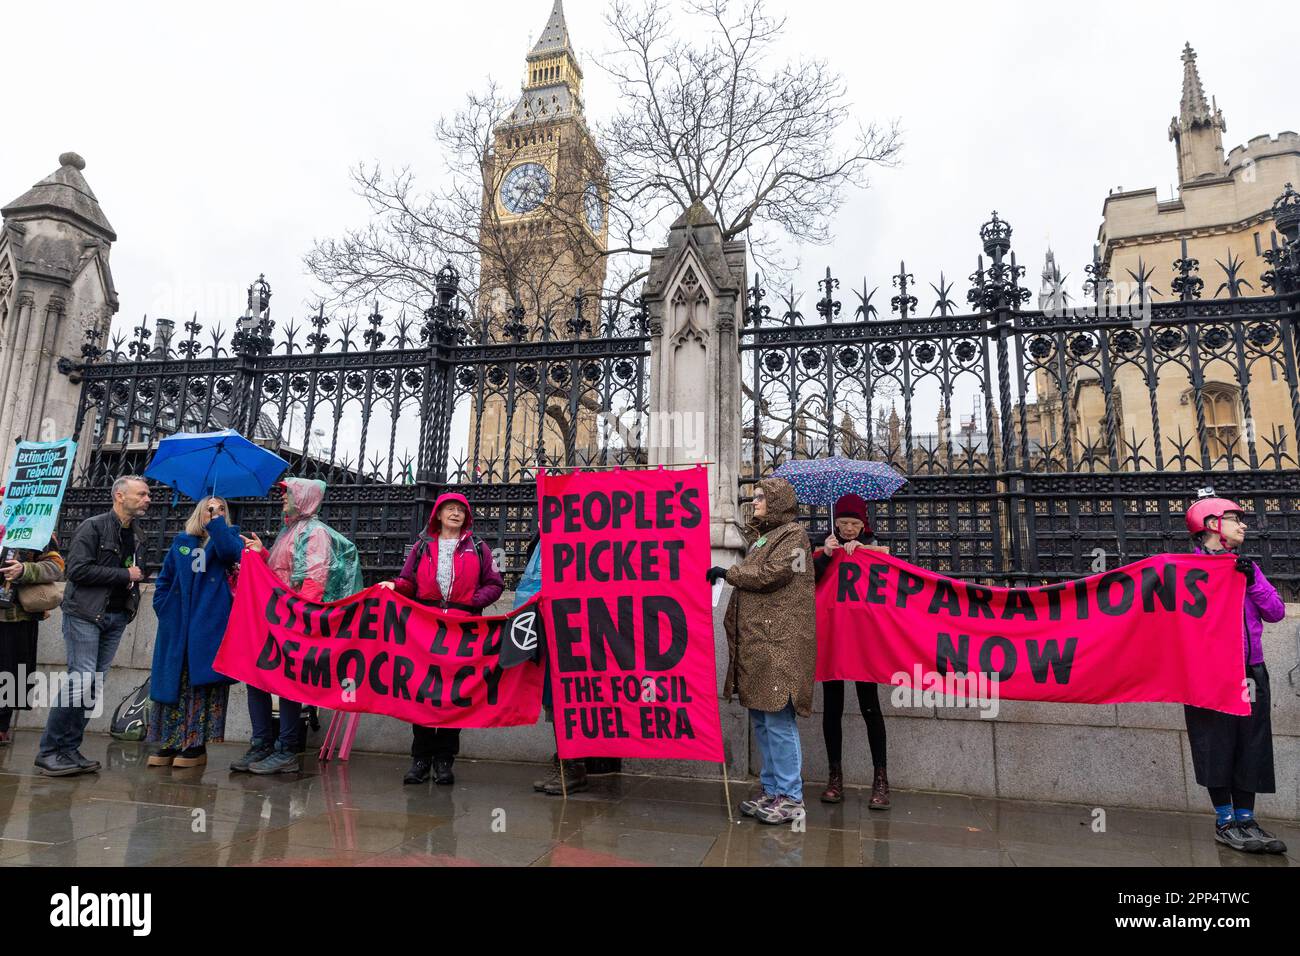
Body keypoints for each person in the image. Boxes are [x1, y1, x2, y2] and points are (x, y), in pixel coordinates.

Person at [233, 477, 363, 775]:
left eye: (287, 493)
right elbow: (282, 573)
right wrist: (263, 554)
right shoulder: (290, 530)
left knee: (288, 683)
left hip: (290, 620)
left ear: (303, 497)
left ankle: (287, 749)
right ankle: (262, 742)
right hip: (276, 616)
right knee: (258, 677)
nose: (283, 497)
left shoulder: (314, 533)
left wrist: (297, 618)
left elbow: (313, 580)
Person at [1182, 496, 1288, 854]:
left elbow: (1275, 612)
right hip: (1208, 674)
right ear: (1212, 525)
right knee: (1215, 743)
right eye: (1234, 519)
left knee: (1251, 742)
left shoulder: (1248, 567)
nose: (1243, 525)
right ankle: (1225, 820)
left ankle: (1247, 819)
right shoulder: (1185, 571)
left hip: (1250, 672)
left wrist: (1251, 579)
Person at [709, 476, 816, 825]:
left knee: (779, 721)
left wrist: (729, 572)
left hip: (780, 646)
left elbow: (774, 573)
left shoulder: (795, 537)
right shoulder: (764, 537)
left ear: (778, 500)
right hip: (759, 645)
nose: (753, 502)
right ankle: (772, 791)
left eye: (760, 497)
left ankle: (791, 797)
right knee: (762, 720)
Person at [379, 492, 503, 786]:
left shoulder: (480, 547)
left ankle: (445, 760)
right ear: (437, 513)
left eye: (461, 509)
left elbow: (495, 584)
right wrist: (394, 585)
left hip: (462, 628)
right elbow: (408, 581)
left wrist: (472, 601)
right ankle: (420, 759)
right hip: (426, 627)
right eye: (450, 508)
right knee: (423, 690)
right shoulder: (422, 546)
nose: (456, 513)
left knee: (454, 692)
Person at [35, 475, 151, 776]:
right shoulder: (94, 526)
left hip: (115, 616)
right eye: (141, 494)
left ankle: (70, 749)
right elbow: (77, 570)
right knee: (81, 679)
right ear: (119, 496)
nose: (147, 499)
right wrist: (125, 576)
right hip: (85, 614)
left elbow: (136, 572)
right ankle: (49, 750)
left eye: (147, 495)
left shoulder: (138, 534)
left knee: (93, 685)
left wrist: (133, 580)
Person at [145, 496, 242, 768]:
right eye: (211, 508)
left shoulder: (229, 538)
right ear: (199, 511)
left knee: (202, 685)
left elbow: (229, 553)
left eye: (222, 509)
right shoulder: (182, 542)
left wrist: (218, 525)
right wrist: (164, 606)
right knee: (175, 681)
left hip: (209, 624)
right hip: (177, 622)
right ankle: (170, 741)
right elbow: (165, 579)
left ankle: (195, 744)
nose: (216, 512)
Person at [814, 493, 891, 809]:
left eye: (854, 523)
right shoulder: (824, 545)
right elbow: (806, 581)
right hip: (833, 637)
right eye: (843, 522)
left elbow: (890, 583)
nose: (848, 529)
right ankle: (835, 777)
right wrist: (827, 556)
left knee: (870, 707)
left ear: (864, 523)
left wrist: (866, 553)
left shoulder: (875, 547)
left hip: (864, 640)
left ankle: (881, 779)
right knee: (832, 708)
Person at [0, 536, 65, 746]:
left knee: (9, 673)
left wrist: (24, 570)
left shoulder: (38, 526)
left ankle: (1, 727)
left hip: (14, 617)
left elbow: (56, 566)